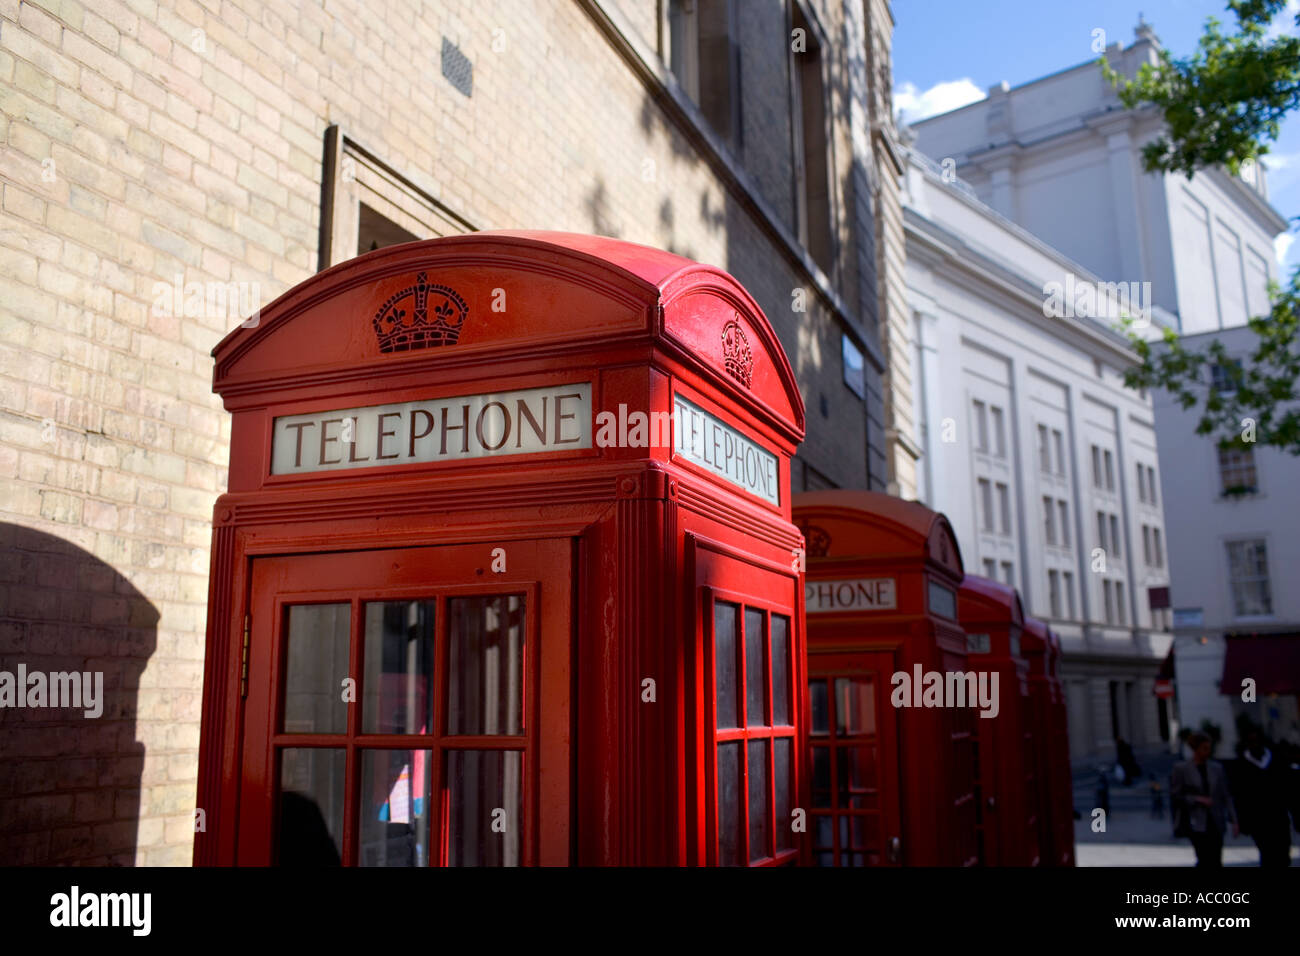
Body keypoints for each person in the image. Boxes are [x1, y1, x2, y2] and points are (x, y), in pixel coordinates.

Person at [1171, 733, 1237, 867]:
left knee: (1216, 858)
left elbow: (1226, 795)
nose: (1208, 751)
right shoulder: (1182, 769)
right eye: (1204, 748)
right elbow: (1176, 795)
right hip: (1196, 822)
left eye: (1209, 748)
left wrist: (1234, 820)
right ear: (1196, 749)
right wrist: (1197, 799)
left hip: (1216, 819)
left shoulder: (1216, 768)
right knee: (1204, 857)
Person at [1233, 728, 1292, 867]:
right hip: (1258, 820)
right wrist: (1242, 821)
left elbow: (1288, 788)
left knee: (1283, 854)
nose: (1255, 744)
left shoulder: (1276, 759)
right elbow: (1239, 796)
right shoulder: (1241, 765)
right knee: (1267, 855)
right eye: (1251, 741)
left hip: (1279, 816)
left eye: (1257, 741)